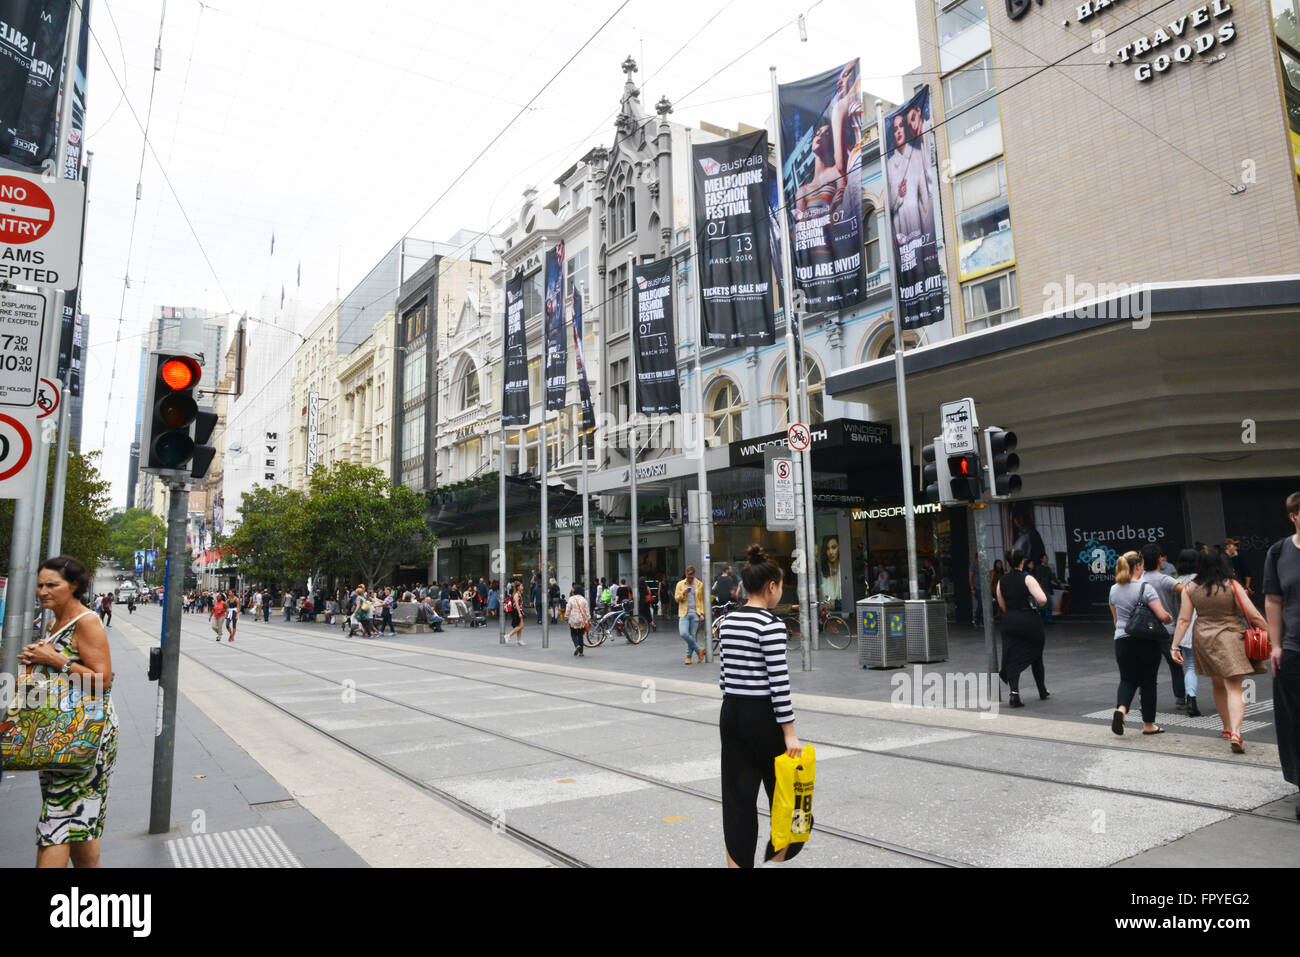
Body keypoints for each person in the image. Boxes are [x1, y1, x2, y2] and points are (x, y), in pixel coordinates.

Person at [20, 557, 119, 867]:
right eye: (40, 585)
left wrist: (55, 660)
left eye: (52, 585)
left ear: (74, 586)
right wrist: (37, 663)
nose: (43, 591)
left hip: (84, 736)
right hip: (57, 732)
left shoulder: (87, 621)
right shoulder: (53, 623)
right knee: (79, 822)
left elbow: (102, 680)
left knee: (57, 821)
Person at [717, 544, 803, 868]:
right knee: (786, 795)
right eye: (781, 586)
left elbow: (724, 679)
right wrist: (790, 733)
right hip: (762, 716)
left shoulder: (728, 623)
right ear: (771, 587)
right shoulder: (770, 625)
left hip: (732, 713)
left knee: (738, 801)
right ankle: (780, 853)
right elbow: (779, 685)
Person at [1173, 549, 1267, 754]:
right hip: (1231, 637)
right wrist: (1272, 635)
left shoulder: (1189, 588)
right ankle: (1236, 732)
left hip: (1204, 639)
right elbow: (1253, 615)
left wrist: (1174, 645)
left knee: (1218, 684)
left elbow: (1183, 620)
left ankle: (1226, 728)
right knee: (1235, 688)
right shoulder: (1232, 584)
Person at [1262, 490, 1300, 816]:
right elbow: (1273, 600)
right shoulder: (1278, 553)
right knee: (1296, 721)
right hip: (1294, 650)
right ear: (1294, 516)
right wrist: (1275, 645)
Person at [1109, 550, 1174, 735]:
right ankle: (1148, 725)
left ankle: (1121, 710)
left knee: (1127, 679)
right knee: (1148, 682)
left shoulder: (1113, 589)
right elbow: (1162, 616)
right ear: (1138, 566)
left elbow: (1116, 620)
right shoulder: (1145, 588)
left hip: (1122, 641)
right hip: (1146, 642)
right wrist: (1169, 617)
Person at [997, 549, 1050, 707]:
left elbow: (1001, 604)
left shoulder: (1002, 581)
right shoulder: (1028, 578)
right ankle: (1041, 689)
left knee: (1012, 657)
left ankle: (1014, 694)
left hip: (1010, 621)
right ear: (1022, 561)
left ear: (1007, 562)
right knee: (1036, 654)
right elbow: (1042, 599)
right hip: (1028, 621)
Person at [1170, 549, 1202, 716]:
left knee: (1190, 665)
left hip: (1184, 629)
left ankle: (1191, 699)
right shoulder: (1202, 580)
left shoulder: (1177, 582)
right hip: (1205, 627)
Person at [675, 565, 707, 665]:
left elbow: (702, 600)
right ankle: (699, 650)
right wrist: (683, 593)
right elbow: (676, 599)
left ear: (694, 574)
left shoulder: (699, 584)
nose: (689, 578)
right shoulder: (680, 584)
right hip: (684, 613)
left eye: (691, 577)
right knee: (683, 633)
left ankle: (688, 657)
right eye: (688, 576)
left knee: (692, 635)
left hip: (695, 613)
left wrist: (702, 613)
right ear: (686, 574)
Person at [565, 586, 590, 658]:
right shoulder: (584, 600)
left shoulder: (571, 599)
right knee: (580, 635)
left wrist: (566, 617)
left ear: (574, 591)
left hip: (573, 619)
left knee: (573, 634)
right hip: (582, 620)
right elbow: (587, 611)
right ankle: (581, 652)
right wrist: (588, 619)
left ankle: (576, 645)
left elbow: (568, 609)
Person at [819, 536, 843, 611]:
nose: (831, 552)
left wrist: (835, 605)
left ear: (839, 548)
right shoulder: (822, 572)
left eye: (834, 547)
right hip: (827, 616)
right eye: (828, 549)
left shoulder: (845, 570)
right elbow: (822, 602)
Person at [1032, 556, 1057, 625]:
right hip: (1042, 588)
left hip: (1046, 588)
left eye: (1047, 558)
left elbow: (1052, 577)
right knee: (1047, 604)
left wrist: (1059, 583)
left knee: (1047, 604)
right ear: (1042, 559)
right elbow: (1037, 577)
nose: (1046, 560)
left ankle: (1046, 619)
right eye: (1045, 558)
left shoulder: (1048, 568)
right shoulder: (1039, 568)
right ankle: (1047, 619)